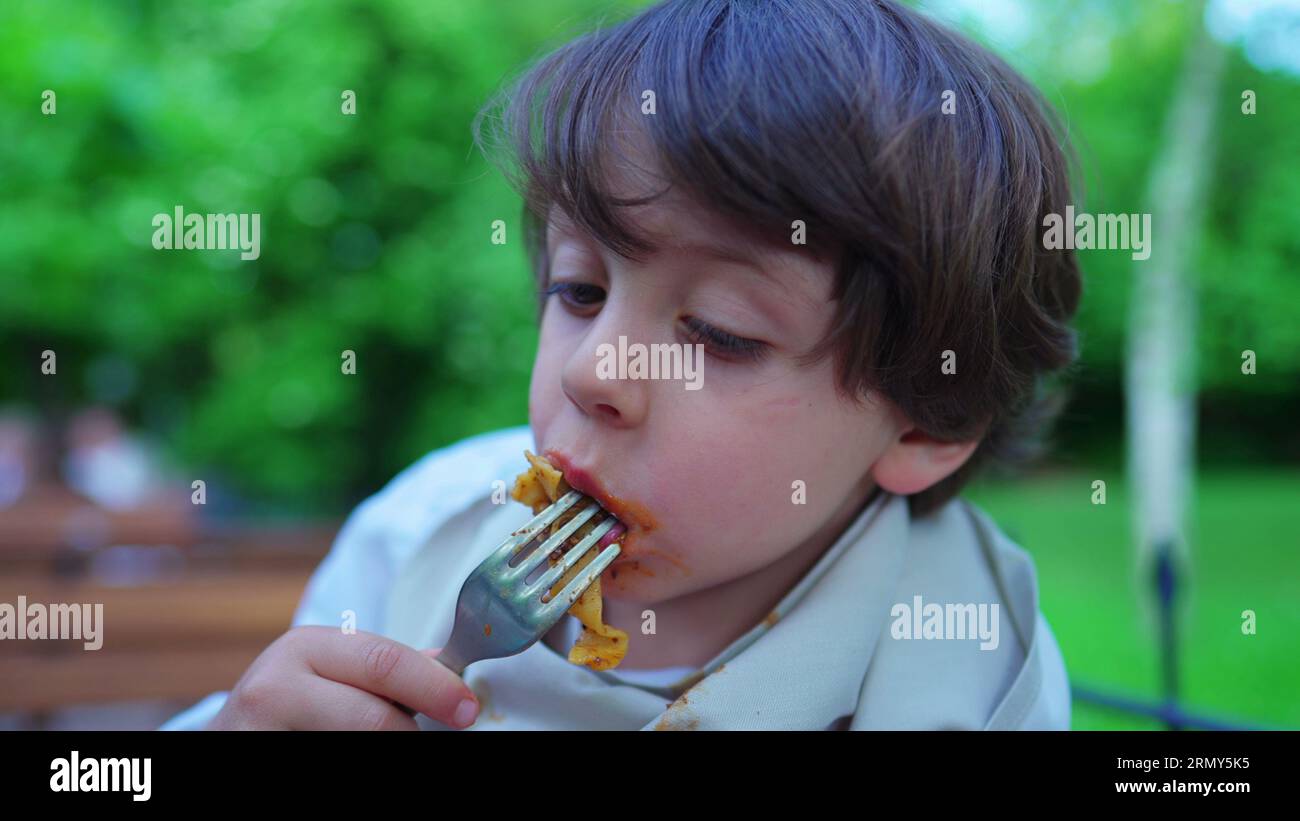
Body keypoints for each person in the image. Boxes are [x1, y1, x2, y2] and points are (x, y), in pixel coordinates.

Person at [163, 0, 1078, 731]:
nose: (591, 373)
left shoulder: (972, 667)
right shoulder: (420, 537)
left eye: (719, 333)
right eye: (579, 291)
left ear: (923, 422)